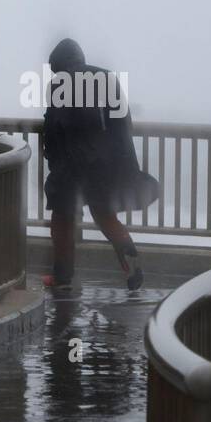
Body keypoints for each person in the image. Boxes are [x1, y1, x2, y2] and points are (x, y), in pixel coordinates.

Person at [42, 38, 157, 291]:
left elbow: (53, 127)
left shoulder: (59, 84)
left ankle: (62, 277)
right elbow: (123, 121)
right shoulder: (107, 78)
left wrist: (51, 156)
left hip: (72, 166)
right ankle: (131, 263)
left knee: (62, 217)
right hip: (108, 164)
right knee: (103, 213)